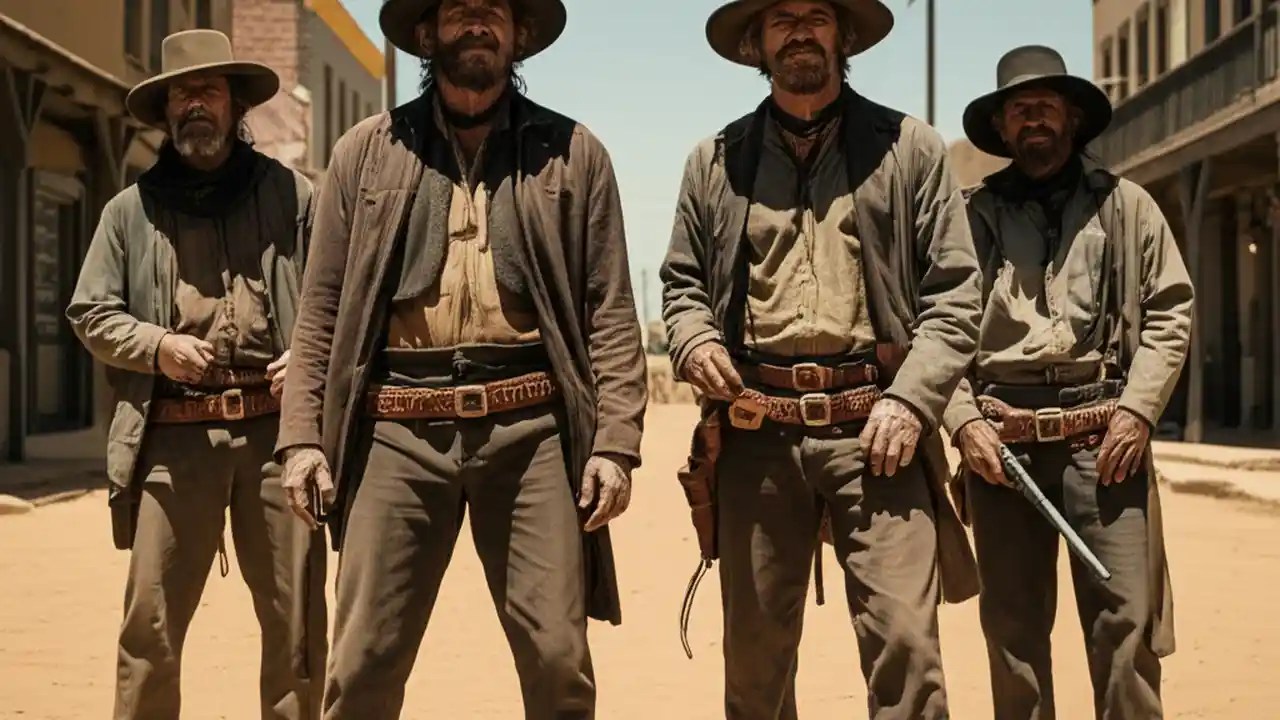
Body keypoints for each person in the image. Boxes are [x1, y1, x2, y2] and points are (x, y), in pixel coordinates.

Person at [273, 0, 647, 717]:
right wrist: (300, 441)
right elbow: (320, 309)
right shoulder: (365, 152)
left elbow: (611, 310)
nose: (477, 23)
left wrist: (615, 445)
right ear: (426, 33)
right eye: (459, 10)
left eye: (494, 11)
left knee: (559, 659)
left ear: (519, 34)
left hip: (531, 430)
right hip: (396, 432)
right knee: (363, 661)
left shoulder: (574, 153)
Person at [660, 1, 984, 717]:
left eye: (816, 14)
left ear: (843, 34)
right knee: (754, 660)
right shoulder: (714, 161)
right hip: (757, 433)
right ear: (757, 42)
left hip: (880, 433)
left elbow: (957, 296)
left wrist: (912, 400)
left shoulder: (910, 149)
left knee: (907, 645)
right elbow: (681, 285)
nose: (800, 31)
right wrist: (695, 338)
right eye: (781, 19)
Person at [66, 29, 326, 720]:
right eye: (183, 95)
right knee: (148, 624)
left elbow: (338, 294)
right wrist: (156, 346)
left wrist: (306, 353)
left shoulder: (291, 196)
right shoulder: (130, 209)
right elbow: (90, 311)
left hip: (279, 441)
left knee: (297, 626)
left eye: (208, 92)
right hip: (173, 442)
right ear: (166, 111)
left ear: (235, 105)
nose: (196, 107)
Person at [944, 44, 1193, 719]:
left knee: (1124, 626)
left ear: (1073, 118)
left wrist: (1139, 413)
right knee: (1013, 635)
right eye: (1018, 110)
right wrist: (963, 422)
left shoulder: (1128, 206)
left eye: (1045, 106)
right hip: (1001, 455)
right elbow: (932, 327)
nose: (1033, 121)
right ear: (1001, 129)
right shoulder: (967, 220)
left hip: (1105, 444)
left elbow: (1172, 311)